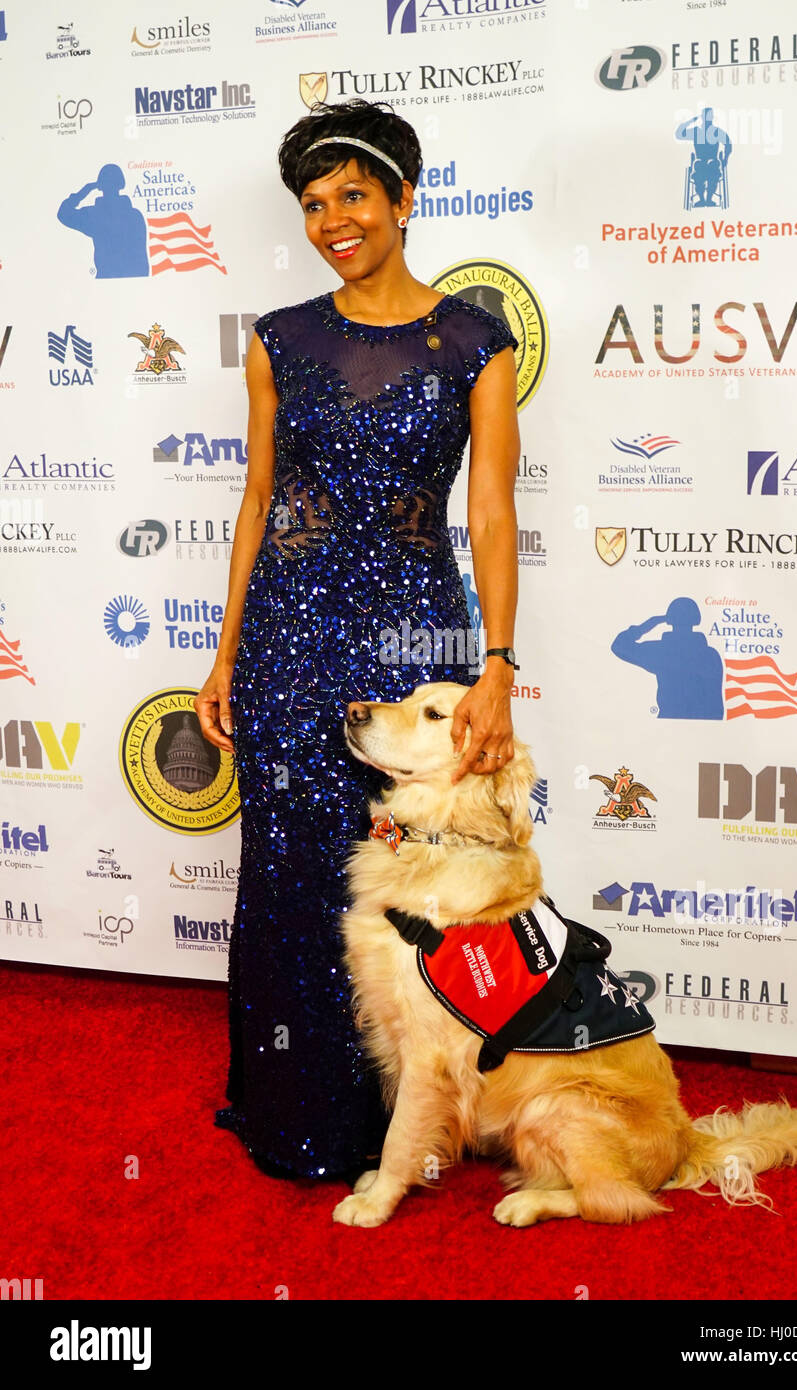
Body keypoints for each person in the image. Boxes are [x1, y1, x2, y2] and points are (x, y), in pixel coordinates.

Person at [195, 98, 521, 1182]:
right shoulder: (279, 338)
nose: (331, 218)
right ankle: (301, 1117)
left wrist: (497, 666)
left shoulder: (475, 338)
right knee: (290, 876)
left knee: (406, 882)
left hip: (411, 642)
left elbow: (487, 512)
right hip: (290, 637)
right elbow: (256, 499)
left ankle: (415, 1119)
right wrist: (226, 651)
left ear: (401, 201)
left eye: (351, 196)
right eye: (312, 202)